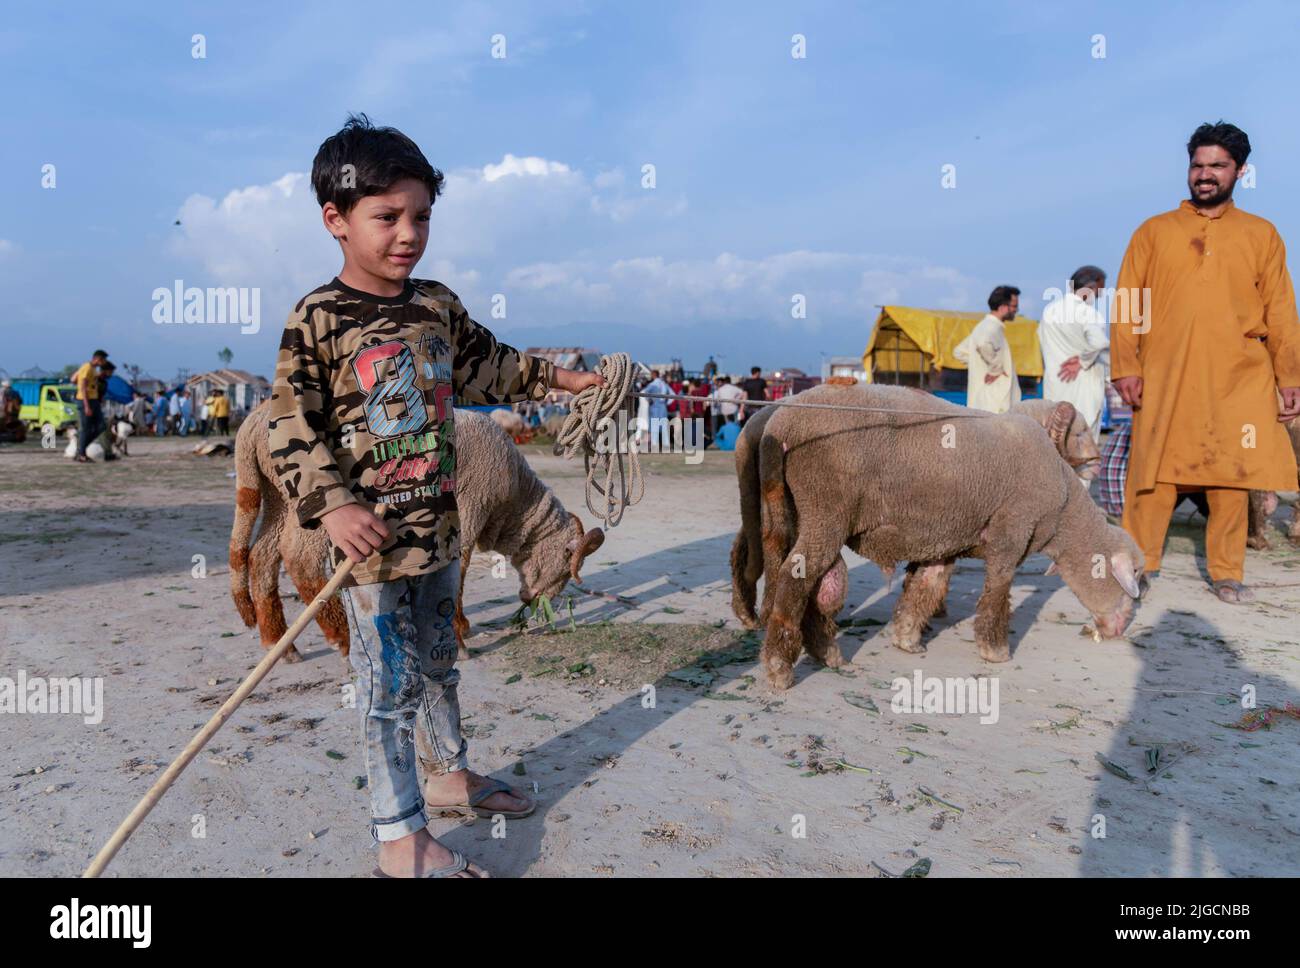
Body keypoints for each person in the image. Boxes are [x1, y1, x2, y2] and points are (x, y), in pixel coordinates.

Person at [267, 114, 604, 879]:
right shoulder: (317, 318)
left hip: (441, 536)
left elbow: (496, 366)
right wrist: (334, 505)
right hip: (374, 550)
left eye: (421, 216)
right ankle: (400, 841)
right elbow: (290, 420)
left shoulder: (437, 306)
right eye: (387, 217)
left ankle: (449, 776)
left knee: (439, 667)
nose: (407, 233)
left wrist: (569, 380)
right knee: (386, 691)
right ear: (336, 220)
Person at [1111, 121, 1300, 604]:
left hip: (1238, 375)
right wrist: (1126, 365)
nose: (1205, 174)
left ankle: (1226, 572)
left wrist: (1290, 377)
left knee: (1230, 475)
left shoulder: (1262, 235)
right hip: (1164, 371)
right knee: (1153, 471)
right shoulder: (1154, 231)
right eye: (1198, 165)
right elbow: (1130, 303)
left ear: (1239, 171)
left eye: (1217, 165)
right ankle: (1138, 562)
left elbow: (1280, 311)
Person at [1041, 266, 1110, 441]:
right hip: (1084, 391)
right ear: (1091, 288)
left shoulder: (1050, 311)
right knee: (1083, 449)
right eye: (1100, 290)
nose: (1100, 296)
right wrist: (1082, 361)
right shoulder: (1088, 313)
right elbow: (1100, 343)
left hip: (1055, 390)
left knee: (1055, 445)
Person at [953, 286, 1021, 413]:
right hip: (994, 402)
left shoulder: (985, 326)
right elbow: (983, 343)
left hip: (986, 402)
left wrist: (978, 363)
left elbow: (959, 351)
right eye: (1014, 306)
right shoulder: (991, 327)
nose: (1016, 310)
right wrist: (995, 369)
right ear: (1003, 307)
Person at [72, 349, 109, 463]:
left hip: (94, 400)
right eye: (103, 360)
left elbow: (73, 379)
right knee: (86, 429)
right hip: (85, 401)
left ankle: (81, 449)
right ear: (97, 359)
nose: (103, 363)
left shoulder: (92, 369)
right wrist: (86, 406)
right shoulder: (87, 368)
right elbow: (82, 387)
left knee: (101, 426)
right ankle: (81, 454)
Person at [642, 369, 671, 447]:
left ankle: (655, 444)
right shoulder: (664, 384)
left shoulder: (653, 384)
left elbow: (645, 393)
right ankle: (666, 444)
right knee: (664, 426)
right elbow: (672, 395)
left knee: (654, 426)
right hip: (663, 407)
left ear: (654, 375)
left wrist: (650, 400)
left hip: (655, 407)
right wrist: (666, 402)